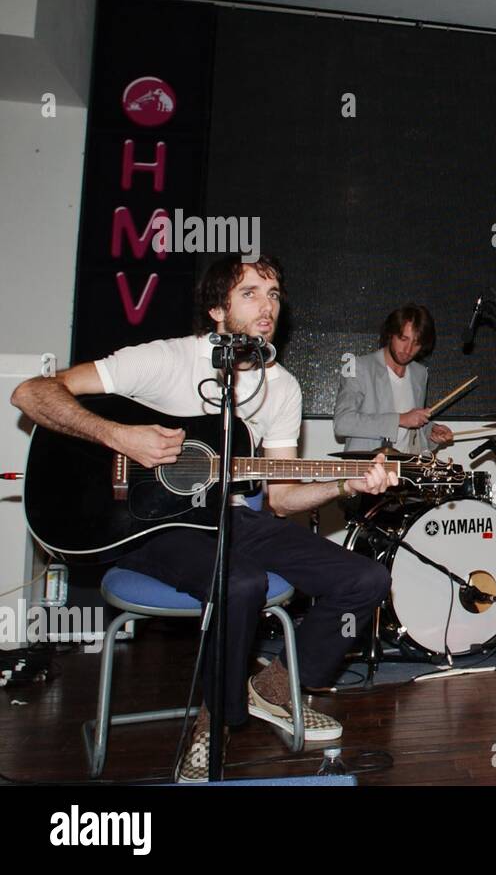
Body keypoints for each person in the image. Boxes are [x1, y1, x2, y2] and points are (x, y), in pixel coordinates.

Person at [11, 255, 395, 781]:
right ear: (217, 310)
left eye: (275, 294)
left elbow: (280, 498)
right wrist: (118, 435)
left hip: (234, 518)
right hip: (146, 524)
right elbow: (31, 393)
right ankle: (213, 723)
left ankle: (272, 690)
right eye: (250, 294)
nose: (268, 306)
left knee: (366, 577)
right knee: (242, 582)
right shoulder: (165, 360)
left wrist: (343, 483)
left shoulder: (281, 387)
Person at [334, 304, 454, 454]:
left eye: (416, 343)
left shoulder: (420, 373)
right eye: (403, 339)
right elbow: (342, 423)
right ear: (391, 334)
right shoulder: (359, 367)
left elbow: (411, 429)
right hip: (368, 470)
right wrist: (400, 419)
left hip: (405, 471)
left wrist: (431, 432)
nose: (408, 350)